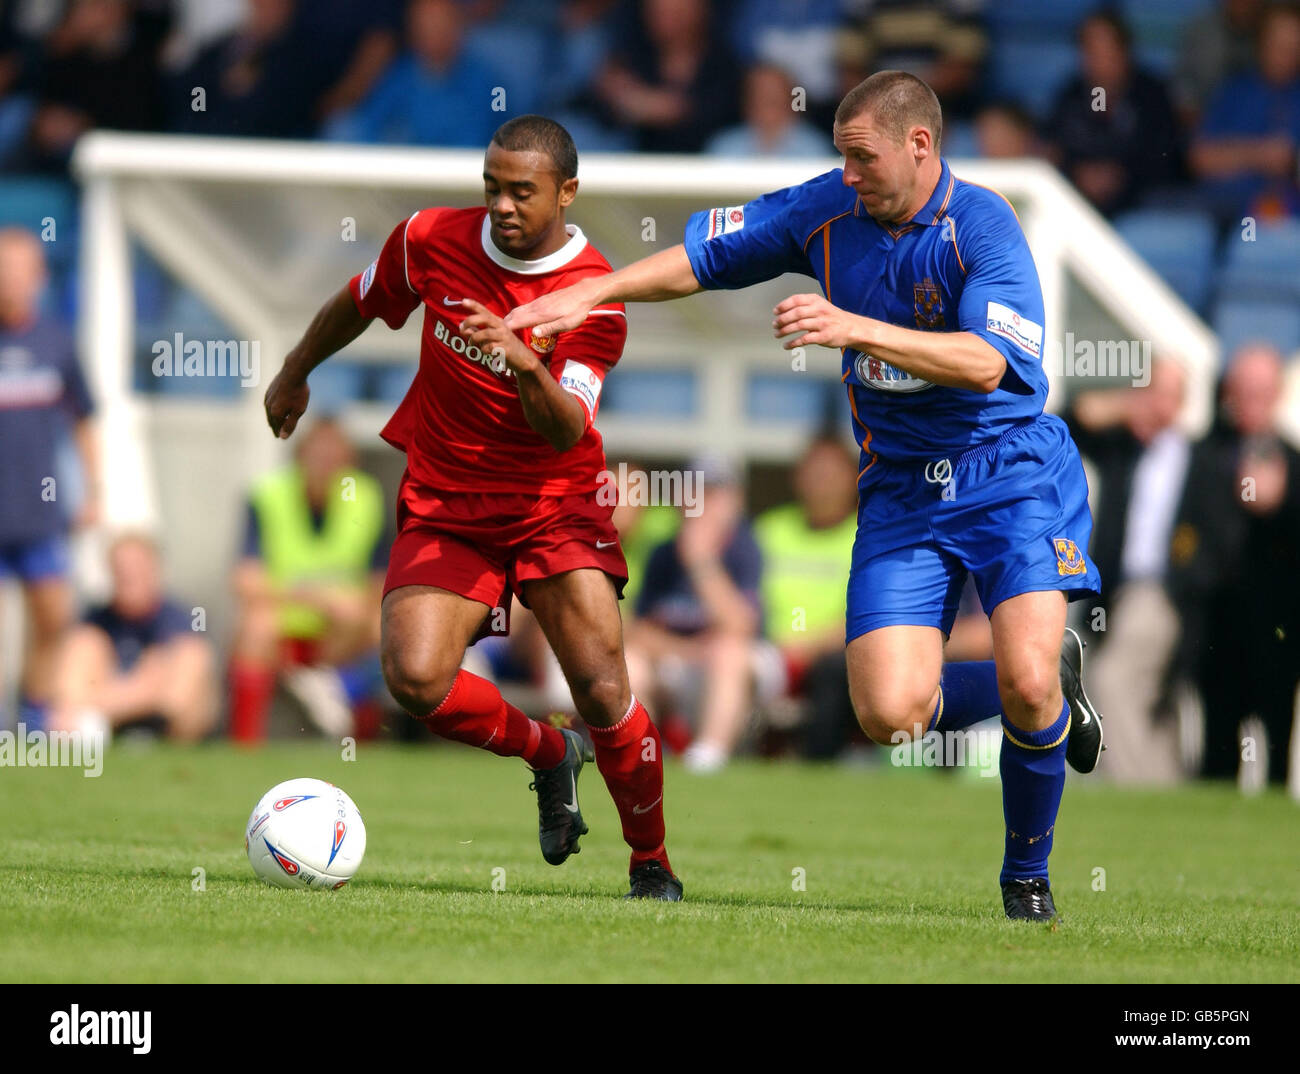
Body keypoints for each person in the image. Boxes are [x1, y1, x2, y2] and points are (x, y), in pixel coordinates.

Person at [508, 71, 1106, 922]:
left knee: (1028, 681)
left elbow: (990, 361)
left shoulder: (984, 224)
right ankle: (1045, 684)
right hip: (901, 488)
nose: (849, 173)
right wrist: (593, 289)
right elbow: (702, 261)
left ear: (920, 146)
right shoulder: (827, 207)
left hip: (1008, 473)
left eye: (862, 157)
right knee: (889, 714)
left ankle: (1025, 879)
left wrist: (854, 328)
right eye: (841, 156)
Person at [262, 115, 681, 901]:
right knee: (415, 679)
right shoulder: (429, 238)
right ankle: (548, 754)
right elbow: (360, 300)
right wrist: (295, 369)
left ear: (567, 192)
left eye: (522, 192)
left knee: (599, 689)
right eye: (493, 188)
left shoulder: (595, 295)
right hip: (448, 502)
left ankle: (650, 862)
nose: (503, 206)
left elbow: (566, 430)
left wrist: (526, 360)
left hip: (555, 507)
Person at [1067, 358, 1190, 784]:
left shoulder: (1194, 456)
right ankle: (1161, 786)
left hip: (1164, 593)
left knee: (1111, 680)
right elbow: (1068, 421)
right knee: (1143, 696)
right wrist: (1125, 405)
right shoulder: (1125, 449)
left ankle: (1134, 783)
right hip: (1116, 594)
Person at [229, 417, 388, 742]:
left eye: (334, 455)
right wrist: (317, 597)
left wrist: (342, 602)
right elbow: (245, 581)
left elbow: (381, 584)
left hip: (341, 633)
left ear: (349, 461)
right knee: (255, 627)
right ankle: (244, 744)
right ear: (301, 455)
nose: (325, 463)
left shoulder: (367, 498)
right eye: (317, 454)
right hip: (283, 622)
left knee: (379, 624)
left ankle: (359, 735)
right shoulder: (268, 495)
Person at [0, 227, 98, 729]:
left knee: (52, 619)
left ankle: (31, 721)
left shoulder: (56, 343)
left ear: (39, 277)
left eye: (20, 269)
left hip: (41, 511)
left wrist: (93, 492)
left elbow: (84, 422)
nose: (9, 280)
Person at [624, 455, 764, 774]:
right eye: (692, 492)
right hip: (683, 659)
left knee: (728, 652)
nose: (699, 503)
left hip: (744, 664)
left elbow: (741, 627)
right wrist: (687, 651)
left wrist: (701, 561)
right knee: (630, 660)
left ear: (733, 500)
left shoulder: (746, 546)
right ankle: (642, 755)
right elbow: (636, 631)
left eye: (711, 493)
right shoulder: (663, 553)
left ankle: (707, 757)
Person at [752, 432, 859, 761]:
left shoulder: (866, 535)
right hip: (766, 654)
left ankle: (818, 764)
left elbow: (871, 615)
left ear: (854, 480)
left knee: (833, 668)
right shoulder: (768, 530)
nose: (821, 483)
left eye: (830, 475)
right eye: (813, 474)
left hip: (833, 657)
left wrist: (808, 646)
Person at [49, 533, 216, 741]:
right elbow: (67, 699)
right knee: (82, 644)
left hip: (160, 721)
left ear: (155, 569)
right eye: (121, 568)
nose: (129, 574)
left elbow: (175, 697)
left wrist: (102, 700)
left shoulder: (179, 620)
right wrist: (136, 691)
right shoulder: (95, 622)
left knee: (192, 655)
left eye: (137, 567)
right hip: (114, 708)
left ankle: (149, 733)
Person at [1045, 10, 1184, 218]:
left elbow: (1168, 157)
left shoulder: (1152, 94)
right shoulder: (1071, 95)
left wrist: (1121, 176)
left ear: (1124, 50)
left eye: (1107, 48)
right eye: (1091, 49)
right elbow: (1053, 148)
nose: (1100, 59)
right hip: (1079, 203)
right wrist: (1079, 173)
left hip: (1142, 204)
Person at [1190, 2, 1300, 223]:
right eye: (1279, 46)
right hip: (1227, 217)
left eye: (1294, 48)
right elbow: (1200, 159)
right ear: (1261, 44)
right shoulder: (1234, 91)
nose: (1286, 55)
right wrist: (1259, 155)